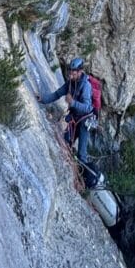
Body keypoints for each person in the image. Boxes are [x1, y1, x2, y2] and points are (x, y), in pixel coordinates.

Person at [38, 57, 100, 187]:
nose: (71, 73)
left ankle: (81, 182)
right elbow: (57, 94)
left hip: (85, 120)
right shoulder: (70, 83)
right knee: (66, 142)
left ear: (80, 71)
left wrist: (73, 103)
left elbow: (88, 107)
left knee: (81, 153)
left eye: (74, 71)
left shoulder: (86, 86)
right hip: (74, 118)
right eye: (70, 71)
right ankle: (73, 170)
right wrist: (43, 99)